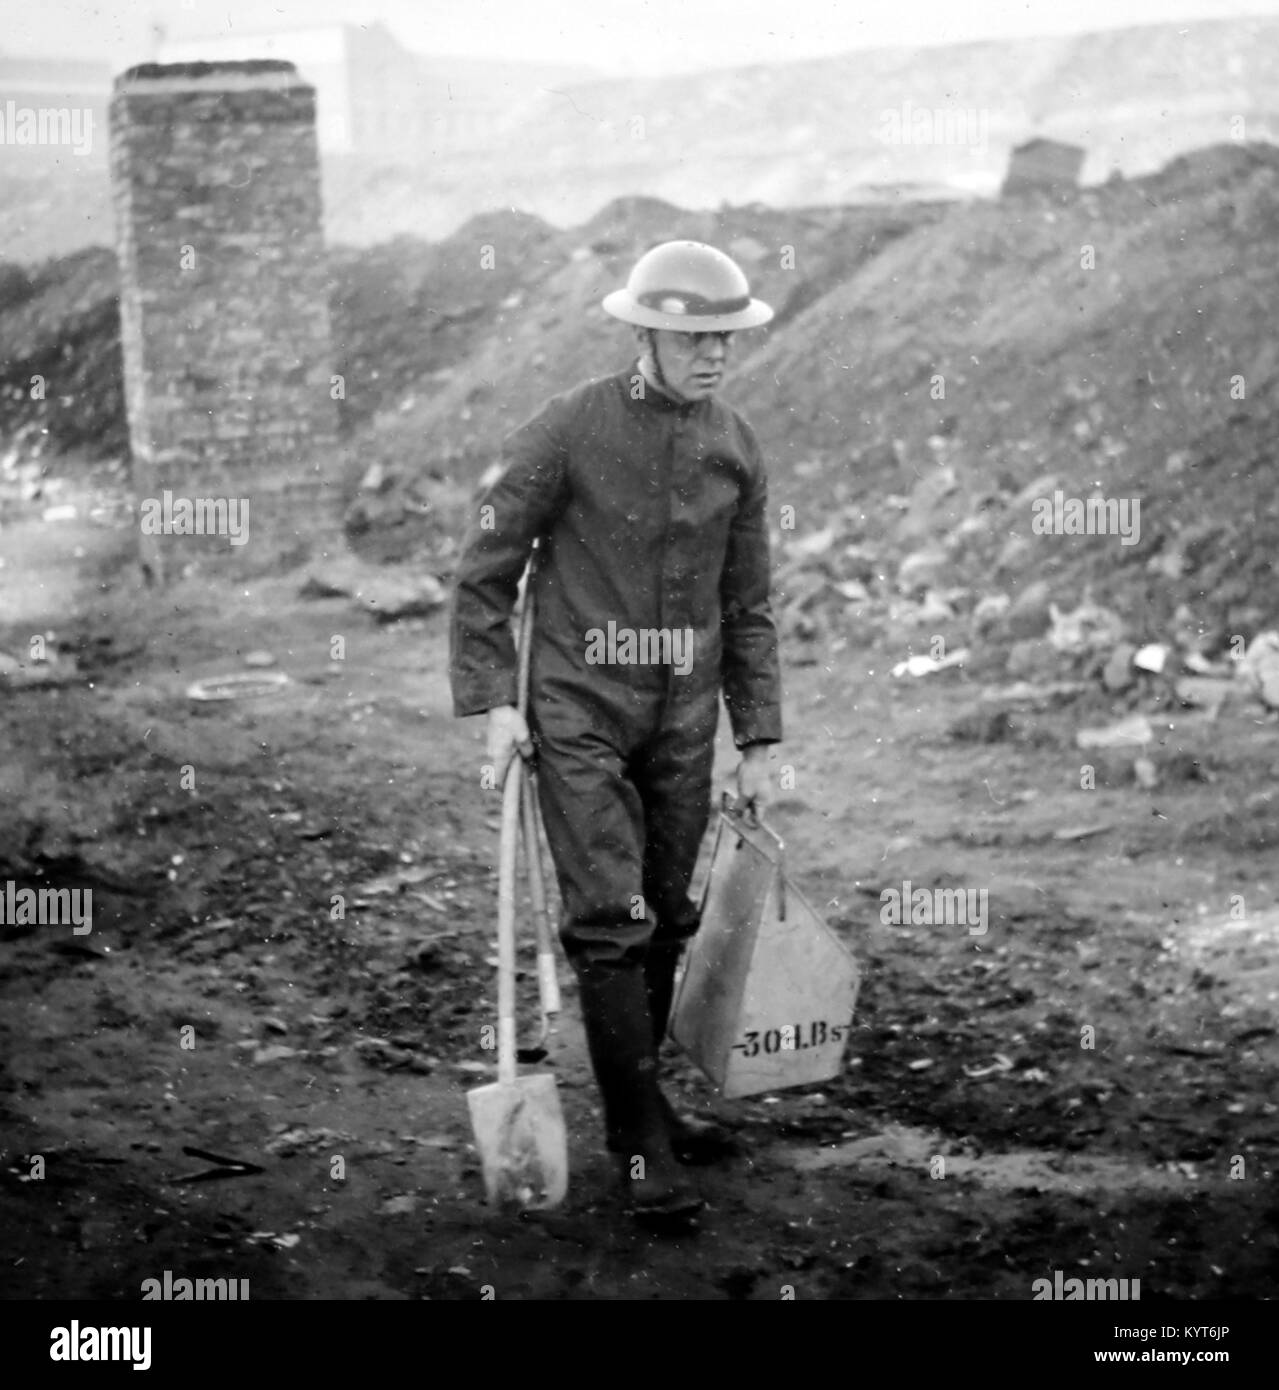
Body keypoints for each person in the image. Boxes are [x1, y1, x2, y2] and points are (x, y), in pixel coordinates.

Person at [449, 240, 783, 1223]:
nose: (711, 351)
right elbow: (484, 563)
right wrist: (496, 702)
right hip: (579, 706)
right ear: (645, 332)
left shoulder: (737, 447)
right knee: (610, 917)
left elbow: (749, 604)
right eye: (690, 334)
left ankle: (651, 1108)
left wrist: (758, 738)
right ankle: (639, 1148)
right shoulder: (568, 427)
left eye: (724, 333)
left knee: (670, 914)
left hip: (681, 718)